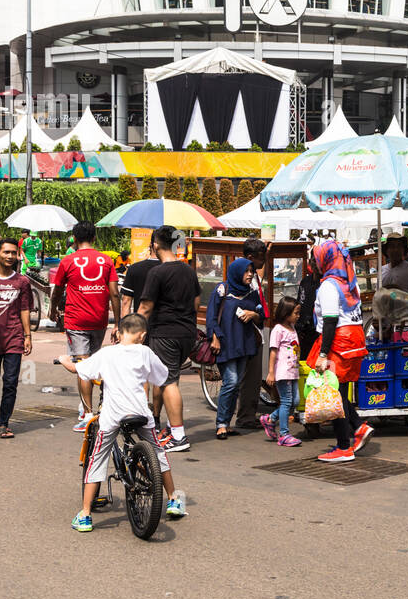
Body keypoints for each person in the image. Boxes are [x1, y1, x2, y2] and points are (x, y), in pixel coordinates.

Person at [60, 312, 187, 532]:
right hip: (140, 414)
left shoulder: (107, 353)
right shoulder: (146, 352)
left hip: (112, 417)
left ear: (118, 333)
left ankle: (85, 515)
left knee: (97, 459)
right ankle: (173, 498)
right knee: (158, 452)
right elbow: (161, 377)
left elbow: (79, 370)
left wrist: (64, 360)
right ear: (143, 335)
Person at [51, 221, 120, 432]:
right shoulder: (106, 260)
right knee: (94, 363)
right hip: (99, 320)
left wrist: (53, 308)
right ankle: (91, 407)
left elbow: (57, 290)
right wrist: (117, 322)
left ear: (74, 237)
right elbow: (115, 293)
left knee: (83, 367)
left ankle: (88, 414)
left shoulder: (68, 261)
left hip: (76, 320)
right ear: (95, 237)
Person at [308, 239, 372, 463]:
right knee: (340, 393)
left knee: (334, 395)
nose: (314, 263)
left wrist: (323, 354)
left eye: (316, 258)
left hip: (338, 342)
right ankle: (357, 428)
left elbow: (330, 320)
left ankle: (345, 445)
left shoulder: (328, 285)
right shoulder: (350, 282)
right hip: (355, 339)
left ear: (324, 260)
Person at [138, 225, 200, 452]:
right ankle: (170, 429)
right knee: (170, 378)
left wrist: (132, 331)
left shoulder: (157, 273)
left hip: (165, 333)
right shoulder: (188, 271)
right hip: (187, 333)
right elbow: (195, 303)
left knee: (168, 382)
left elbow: (145, 308)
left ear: (155, 245)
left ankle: (179, 436)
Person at [0, 238, 34, 438]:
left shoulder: (22, 281)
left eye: (13, 253)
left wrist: (27, 336)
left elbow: (25, 309)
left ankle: (3, 423)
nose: (10, 256)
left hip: (14, 337)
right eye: (6, 252)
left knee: (10, 382)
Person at [205, 258, 265, 439]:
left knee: (236, 384)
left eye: (251, 271)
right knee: (230, 382)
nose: (249, 275)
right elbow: (211, 316)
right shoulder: (222, 290)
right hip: (225, 343)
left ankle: (227, 424)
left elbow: (261, 316)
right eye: (246, 271)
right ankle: (221, 423)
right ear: (237, 272)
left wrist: (253, 314)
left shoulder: (252, 292)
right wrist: (214, 337)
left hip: (244, 344)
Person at [232, 238, 274, 431]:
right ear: (250, 258)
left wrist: (266, 250)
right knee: (249, 378)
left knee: (254, 377)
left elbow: (260, 277)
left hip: (256, 330)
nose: (263, 263)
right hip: (249, 334)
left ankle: (247, 414)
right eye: (261, 259)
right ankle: (245, 417)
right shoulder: (243, 277)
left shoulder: (253, 275)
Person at [263, 295, 303, 446]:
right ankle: (284, 434)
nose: (298, 316)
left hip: (293, 371)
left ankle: (271, 419)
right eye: (296, 313)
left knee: (295, 401)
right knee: (287, 402)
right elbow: (273, 352)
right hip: (283, 372)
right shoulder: (278, 330)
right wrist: (271, 372)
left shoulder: (292, 328)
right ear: (286, 314)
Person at [379, 232, 408, 296]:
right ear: (386, 250)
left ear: (404, 250)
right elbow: (379, 296)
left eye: (399, 246)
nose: (396, 250)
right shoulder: (382, 270)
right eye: (392, 246)